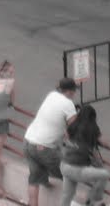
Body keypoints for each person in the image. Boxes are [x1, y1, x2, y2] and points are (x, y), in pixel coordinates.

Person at [22, 78, 79, 206]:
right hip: (43, 147)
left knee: (34, 178)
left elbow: (53, 118)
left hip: (28, 140)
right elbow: (75, 128)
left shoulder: (51, 95)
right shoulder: (68, 104)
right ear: (70, 91)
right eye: (74, 91)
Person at [59, 102, 110, 206]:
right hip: (77, 168)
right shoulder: (93, 128)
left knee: (67, 194)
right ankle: (93, 200)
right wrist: (97, 140)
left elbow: (66, 136)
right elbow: (105, 143)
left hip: (64, 165)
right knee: (104, 175)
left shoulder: (73, 125)